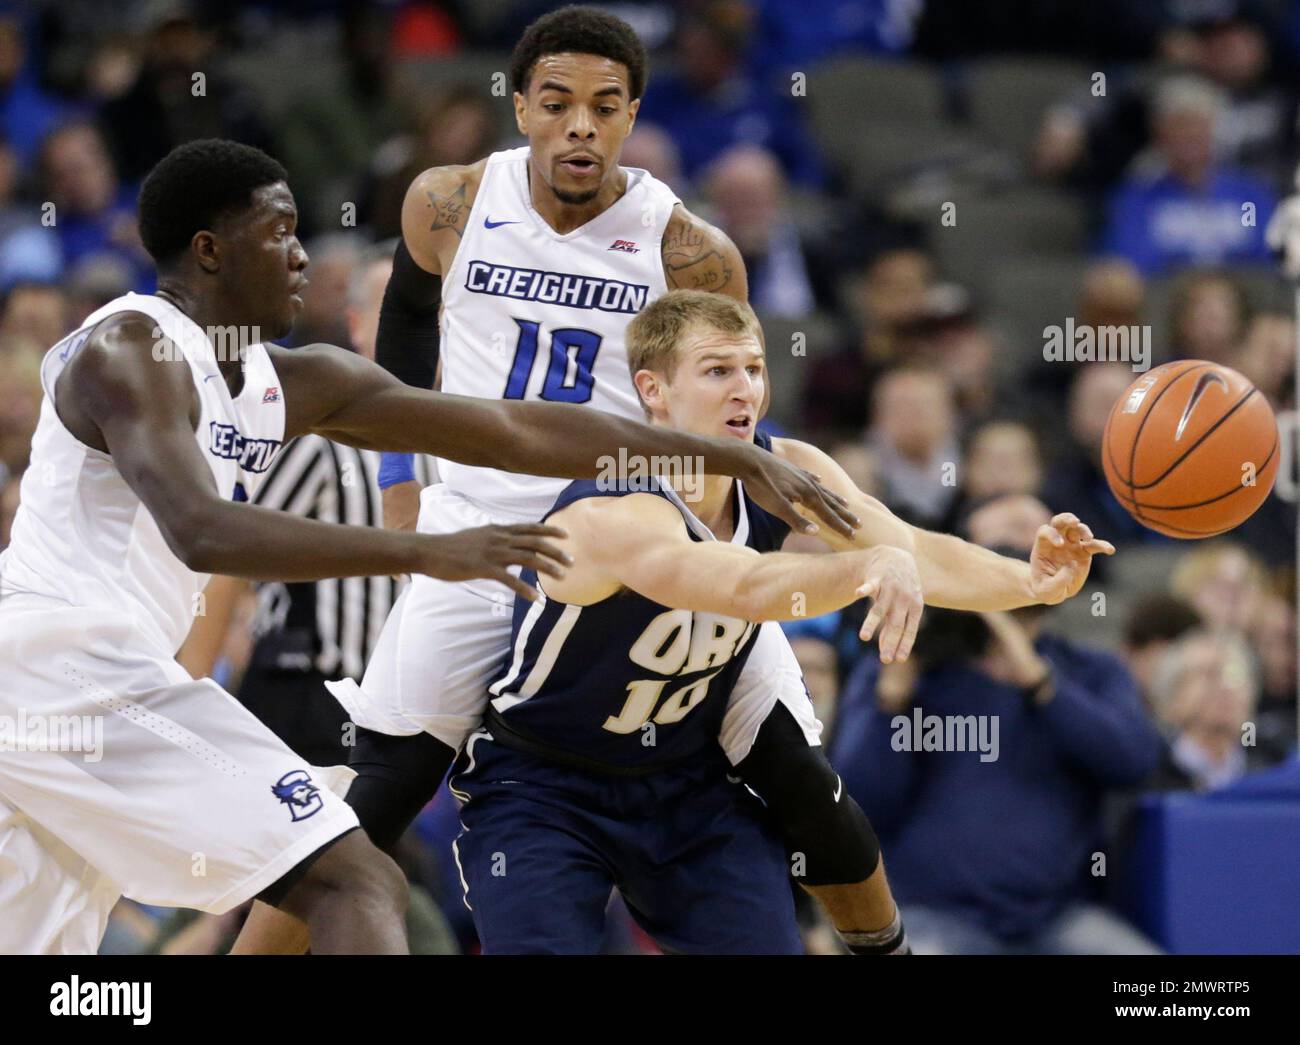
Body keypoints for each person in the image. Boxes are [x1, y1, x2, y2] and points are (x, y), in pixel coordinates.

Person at [0, 138, 844, 956]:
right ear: (211, 250)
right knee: (354, 876)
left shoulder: (281, 380)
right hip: (64, 662)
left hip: (67, 687)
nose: (301, 255)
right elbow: (200, 530)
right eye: (280, 232)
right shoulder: (131, 344)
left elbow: (509, 427)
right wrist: (424, 551)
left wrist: (714, 451)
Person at [228, 7, 857, 953]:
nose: (581, 126)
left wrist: (749, 522)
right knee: (370, 808)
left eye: (607, 108)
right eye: (557, 103)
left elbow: (727, 388)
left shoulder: (691, 249)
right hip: (483, 536)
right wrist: (403, 475)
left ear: (634, 114)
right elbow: (402, 321)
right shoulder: (446, 202)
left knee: (804, 784)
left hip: (637, 542)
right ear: (520, 104)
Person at [451, 291, 1115, 953]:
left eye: (755, 369)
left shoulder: (788, 469)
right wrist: (865, 567)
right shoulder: (612, 509)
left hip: (687, 778)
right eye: (717, 371)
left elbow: (909, 545)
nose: (745, 389)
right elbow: (744, 584)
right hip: (545, 782)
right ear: (653, 389)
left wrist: (1028, 579)